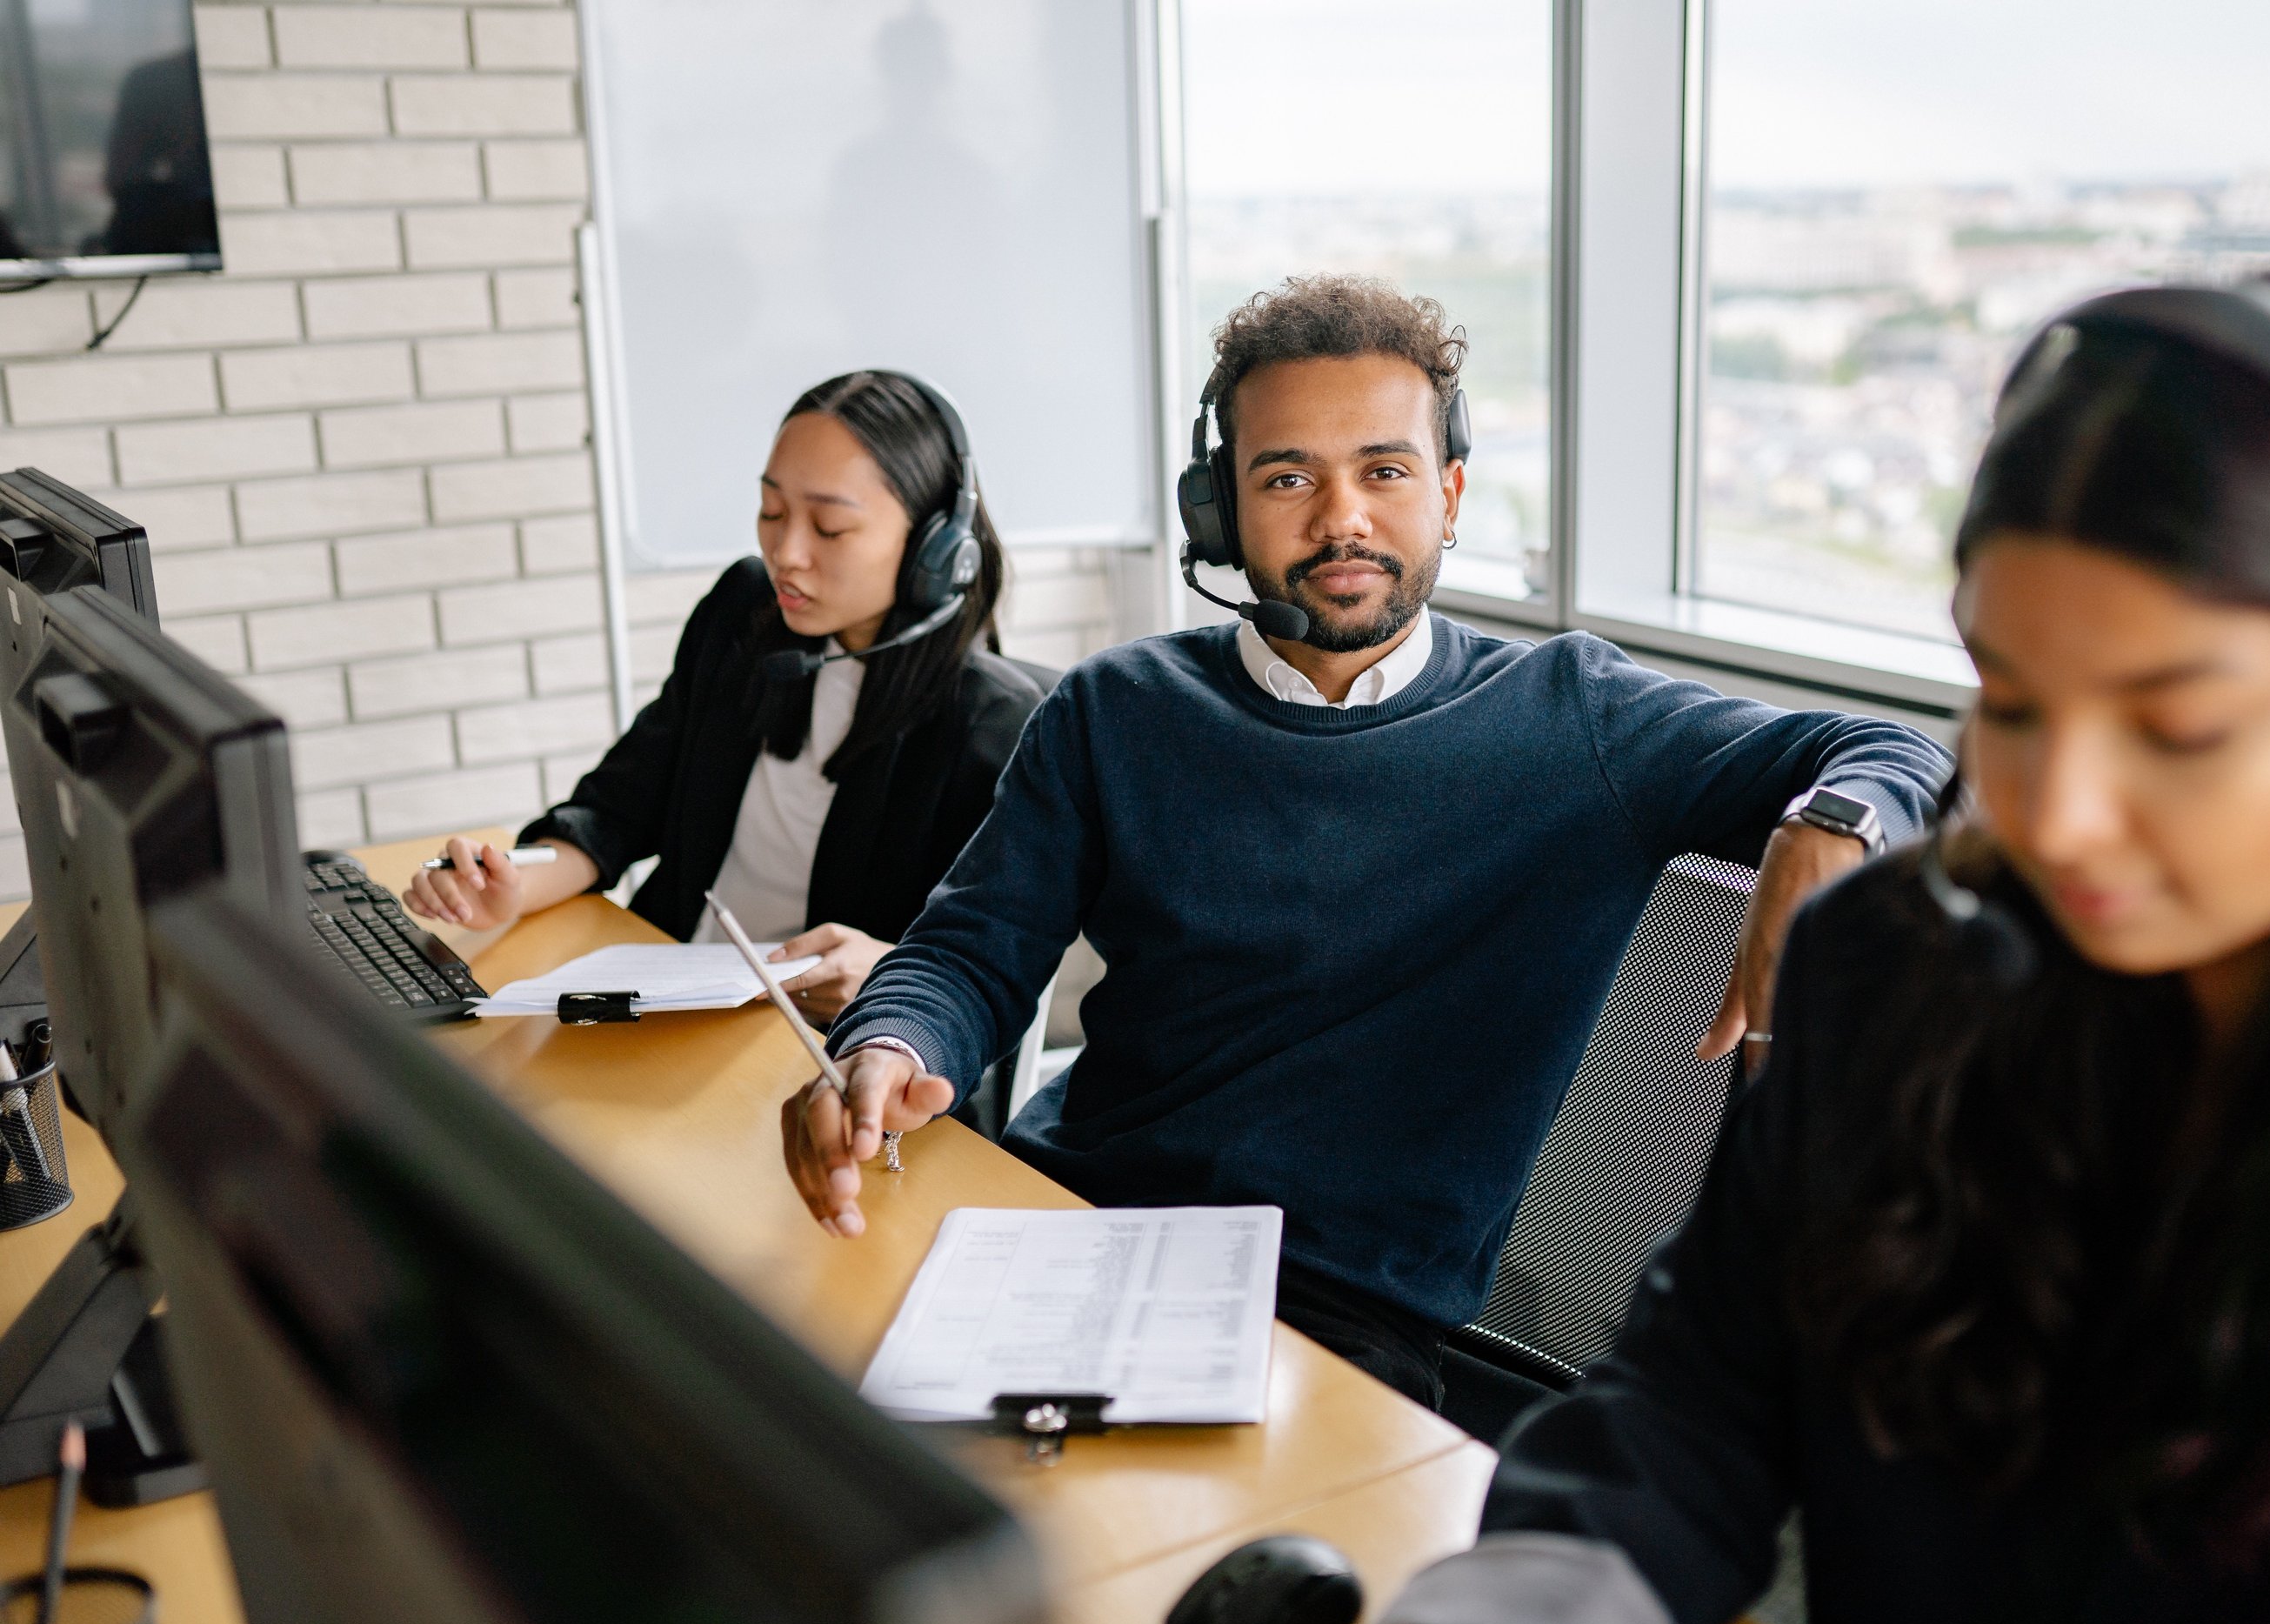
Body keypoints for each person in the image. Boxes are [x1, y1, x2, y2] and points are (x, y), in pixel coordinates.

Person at [1365, 279, 2270, 1624]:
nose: (2061, 818)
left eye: (2178, 727)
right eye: (2009, 702)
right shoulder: (1894, 972)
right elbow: (1689, 1409)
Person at [780, 277, 1953, 1407]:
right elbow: (971, 953)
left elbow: (1903, 753)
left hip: (1338, 1312)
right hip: (1070, 1216)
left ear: (1446, 495)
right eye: (1287, 476)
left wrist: (1828, 828)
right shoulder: (1115, 708)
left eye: (1383, 471)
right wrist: (886, 1041)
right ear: (1222, 507)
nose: (1342, 517)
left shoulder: (1577, 720)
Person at [404, 371, 1045, 1023]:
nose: (785, 553)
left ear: (936, 551)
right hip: (667, 994)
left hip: (820, 1044)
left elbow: (988, 962)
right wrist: (511, 889)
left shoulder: (988, 725)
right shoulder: (744, 616)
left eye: (828, 528)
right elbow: (617, 810)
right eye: (771, 512)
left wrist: (887, 970)